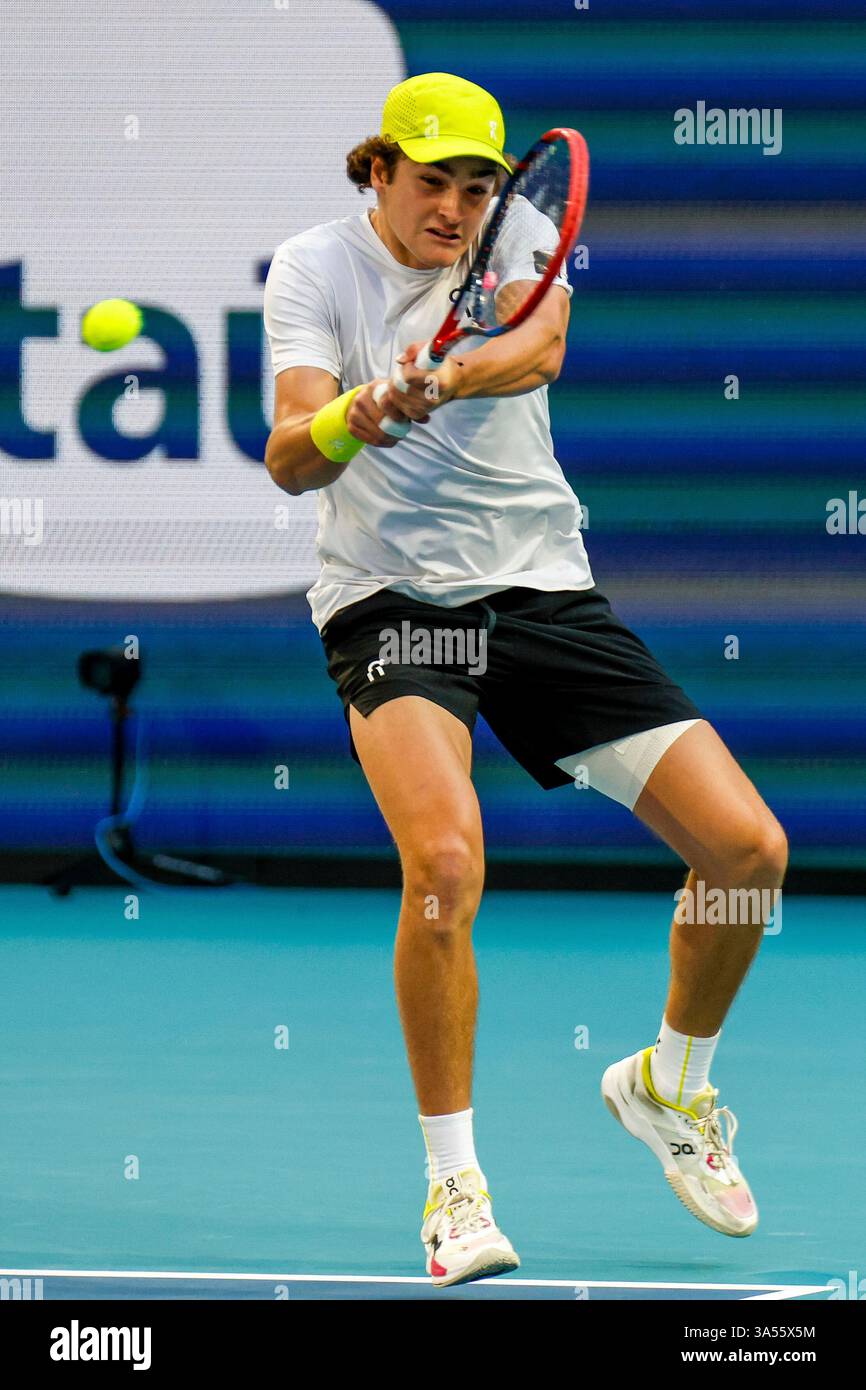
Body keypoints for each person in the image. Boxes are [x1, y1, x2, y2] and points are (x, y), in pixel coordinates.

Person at [263, 71, 788, 1289]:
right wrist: (356, 413)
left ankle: (669, 1084)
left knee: (746, 853)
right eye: (429, 181)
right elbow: (290, 455)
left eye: (473, 185)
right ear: (377, 171)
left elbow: (535, 345)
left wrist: (438, 378)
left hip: (540, 590)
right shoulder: (313, 267)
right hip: (392, 601)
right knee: (444, 866)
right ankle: (454, 1185)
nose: (453, 208)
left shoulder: (517, 241)